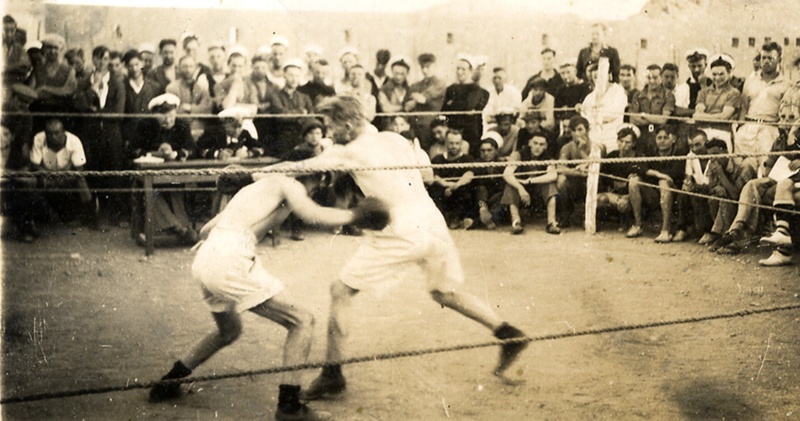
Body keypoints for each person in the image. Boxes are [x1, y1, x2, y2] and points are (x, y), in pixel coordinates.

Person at [261, 96, 529, 398]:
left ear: (348, 125)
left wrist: (251, 172)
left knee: (340, 291)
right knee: (443, 292)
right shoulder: (395, 138)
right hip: (431, 221)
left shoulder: (353, 152)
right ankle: (507, 332)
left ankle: (332, 375)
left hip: (400, 228)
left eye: (332, 127)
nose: (329, 133)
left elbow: (301, 166)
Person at [148, 163, 391, 421]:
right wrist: (355, 216)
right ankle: (289, 408)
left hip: (208, 257)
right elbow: (312, 214)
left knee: (229, 331)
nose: (321, 186)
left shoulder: (257, 190)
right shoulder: (288, 184)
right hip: (229, 257)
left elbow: (206, 230)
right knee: (302, 321)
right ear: (314, 173)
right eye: (323, 179)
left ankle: (168, 381)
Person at [29, 118, 98, 228]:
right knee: (32, 182)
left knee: (81, 181)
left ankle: (91, 217)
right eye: (50, 134)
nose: (53, 137)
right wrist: (49, 178)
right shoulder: (38, 138)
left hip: (68, 174)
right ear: (45, 133)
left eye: (57, 133)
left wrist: (64, 179)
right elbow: (35, 165)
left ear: (63, 132)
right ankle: (36, 218)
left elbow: (79, 170)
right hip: (46, 174)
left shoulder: (74, 141)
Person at [735, 42, 791, 171]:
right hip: (748, 128)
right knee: (741, 167)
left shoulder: (786, 84)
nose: (765, 62)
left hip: (770, 129)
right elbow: (744, 107)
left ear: (779, 60)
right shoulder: (750, 81)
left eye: (770, 58)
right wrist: (740, 128)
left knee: (765, 167)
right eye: (763, 58)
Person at [502, 132, 560, 235]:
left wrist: (529, 181)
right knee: (510, 186)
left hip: (537, 189)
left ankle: (551, 223)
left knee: (550, 186)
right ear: (529, 143)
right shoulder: (518, 154)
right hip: (521, 188)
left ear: (545, 146)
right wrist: (521, 188)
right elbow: (507, 174)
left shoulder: (548, 157)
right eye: (535, 143)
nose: (538, 147)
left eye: (541, 144)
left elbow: (552, 175)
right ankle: (516, 222)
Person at [557, 115, 603, 226]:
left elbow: (594, 166)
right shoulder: (567, 147)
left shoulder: (597, 146)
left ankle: (590, 217)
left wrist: (582, 151)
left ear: (587, 130)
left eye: (580, 129)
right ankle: (565, 215)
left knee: (592, 180)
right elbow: (560, 168)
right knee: (561, 180)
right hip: (575, 181)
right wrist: (578, 172)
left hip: (594, 182)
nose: (577, 134)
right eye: (573, 130)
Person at [441, 54, 490, 156]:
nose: (459, 72)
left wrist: (453, 104)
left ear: (471, 71)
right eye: (458, 68)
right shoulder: (451, 89)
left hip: (470, 133)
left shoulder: (476, 89)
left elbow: (469, 106)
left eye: (463, 69)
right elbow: (444, 110)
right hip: (453, 131)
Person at [429, 128, 477, 229]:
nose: (454, 146)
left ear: (461, 144)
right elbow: (436, 176)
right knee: (434, 189)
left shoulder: (468, 159)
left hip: (459, 188)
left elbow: (469, 175)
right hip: (444, 188)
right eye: (451, 143)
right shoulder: (438, 159)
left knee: (467, 189)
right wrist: (448, 185)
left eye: (457, 143)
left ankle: (457, 218)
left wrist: (455, 186)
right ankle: (441, 218)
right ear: (446, 143)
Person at [693, 54, 740, 152]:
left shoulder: (733, 93)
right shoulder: (703, 92)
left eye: (721, 74)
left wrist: (703, 116)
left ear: (729, 73)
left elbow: (724, 117)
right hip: (702, 132)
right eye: (714, 74)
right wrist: (716, 116)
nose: (717, 78)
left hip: (722, 133)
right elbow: (697, 115)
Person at [581, 62, 628, 152]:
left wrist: (595, 117)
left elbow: (612, 114)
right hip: (594, 136)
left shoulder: (618, 91)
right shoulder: (590, 97)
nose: (599, 80)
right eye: (595, 77)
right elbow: (585, 117)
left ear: (609, 76)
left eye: (601, 76)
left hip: (612, 135)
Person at [630, 64, 676, 155]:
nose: (651, 81)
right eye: (648, 77)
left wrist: (644, 116)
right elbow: (633, 119)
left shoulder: (668, 95)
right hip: (641, 135)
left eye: (655, 78)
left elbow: (663, 120)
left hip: (659, 136)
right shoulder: (637, 95)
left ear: (661, 78)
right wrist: (654, 119)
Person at [405, 53, 447, 151]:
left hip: (430, 128)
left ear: (434, 66)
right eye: (422, 67)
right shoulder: (416, 85)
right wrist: (417, 98)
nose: (425, 70)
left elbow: (422, 99)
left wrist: (415, 98)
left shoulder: (439, 83)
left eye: (428, 67)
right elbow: (406, 107)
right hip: (414, 128)